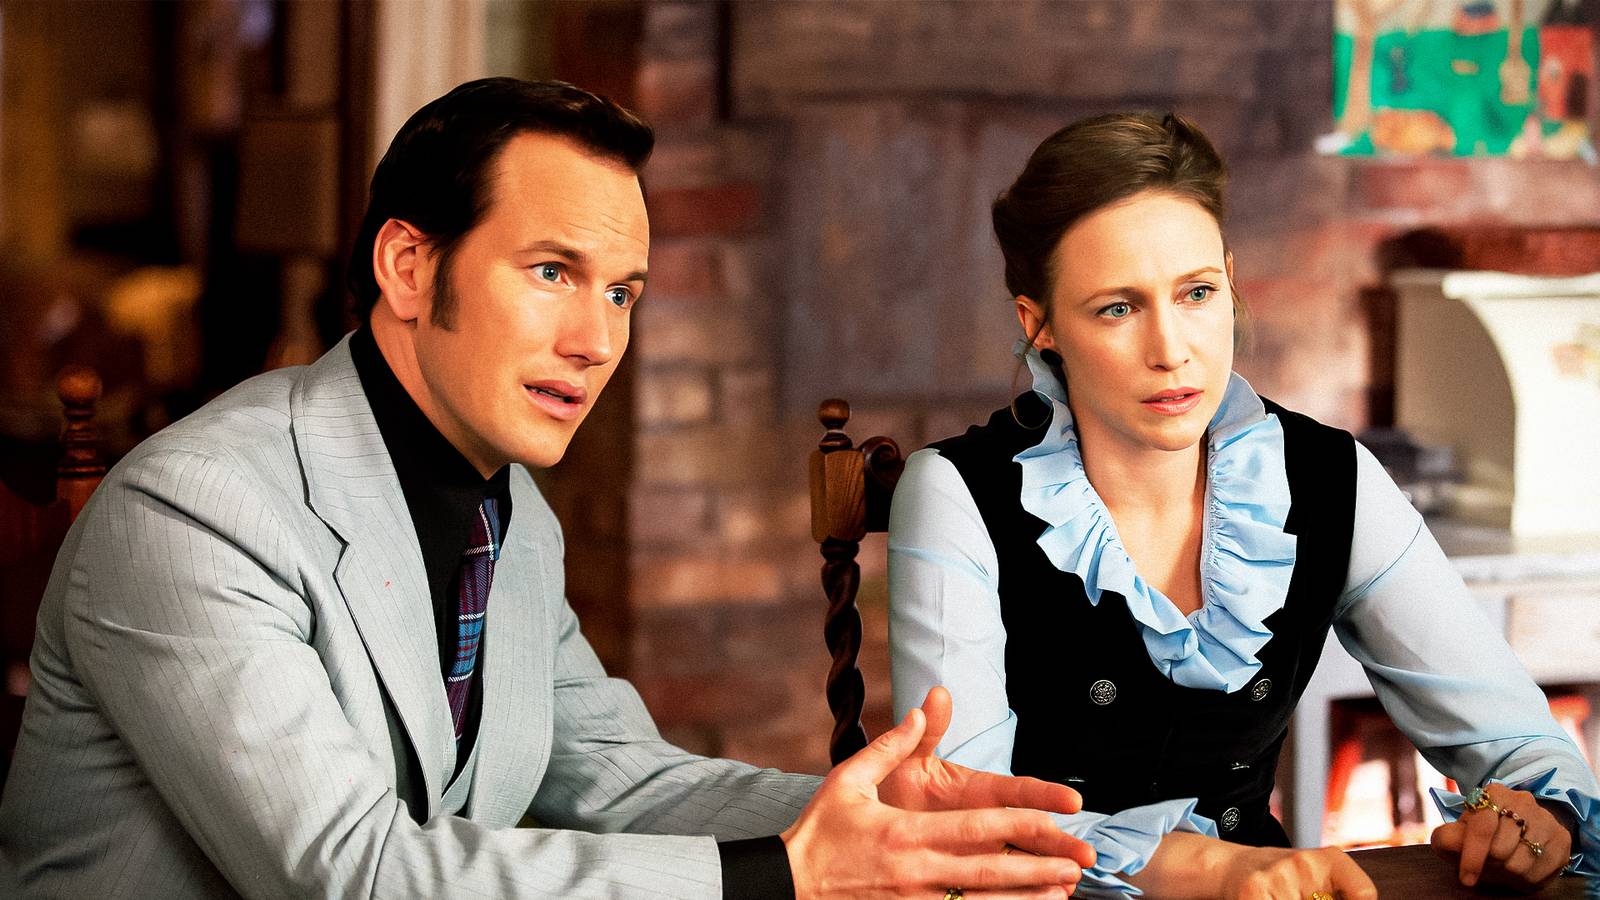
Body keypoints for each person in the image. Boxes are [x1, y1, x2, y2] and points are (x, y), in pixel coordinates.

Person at [0, 78, 1098, 899]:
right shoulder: (197, 509)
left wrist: (881, 818)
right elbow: (351, 874)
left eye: (621, 292)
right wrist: (787, 875)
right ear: (408, 268)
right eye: (551, 272)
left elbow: (615, 777)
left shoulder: (509, 511)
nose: (597, 340)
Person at [887, 111, 1600, 898]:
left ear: (1229, 281)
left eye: (1196, 292)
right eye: (1118, 308)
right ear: (1041, 325)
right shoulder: (955, 491)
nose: (1172, 350)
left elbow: (1524, 747)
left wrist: (1537, 819)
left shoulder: (1330, 477)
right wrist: (1211, 867)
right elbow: (957, 814)